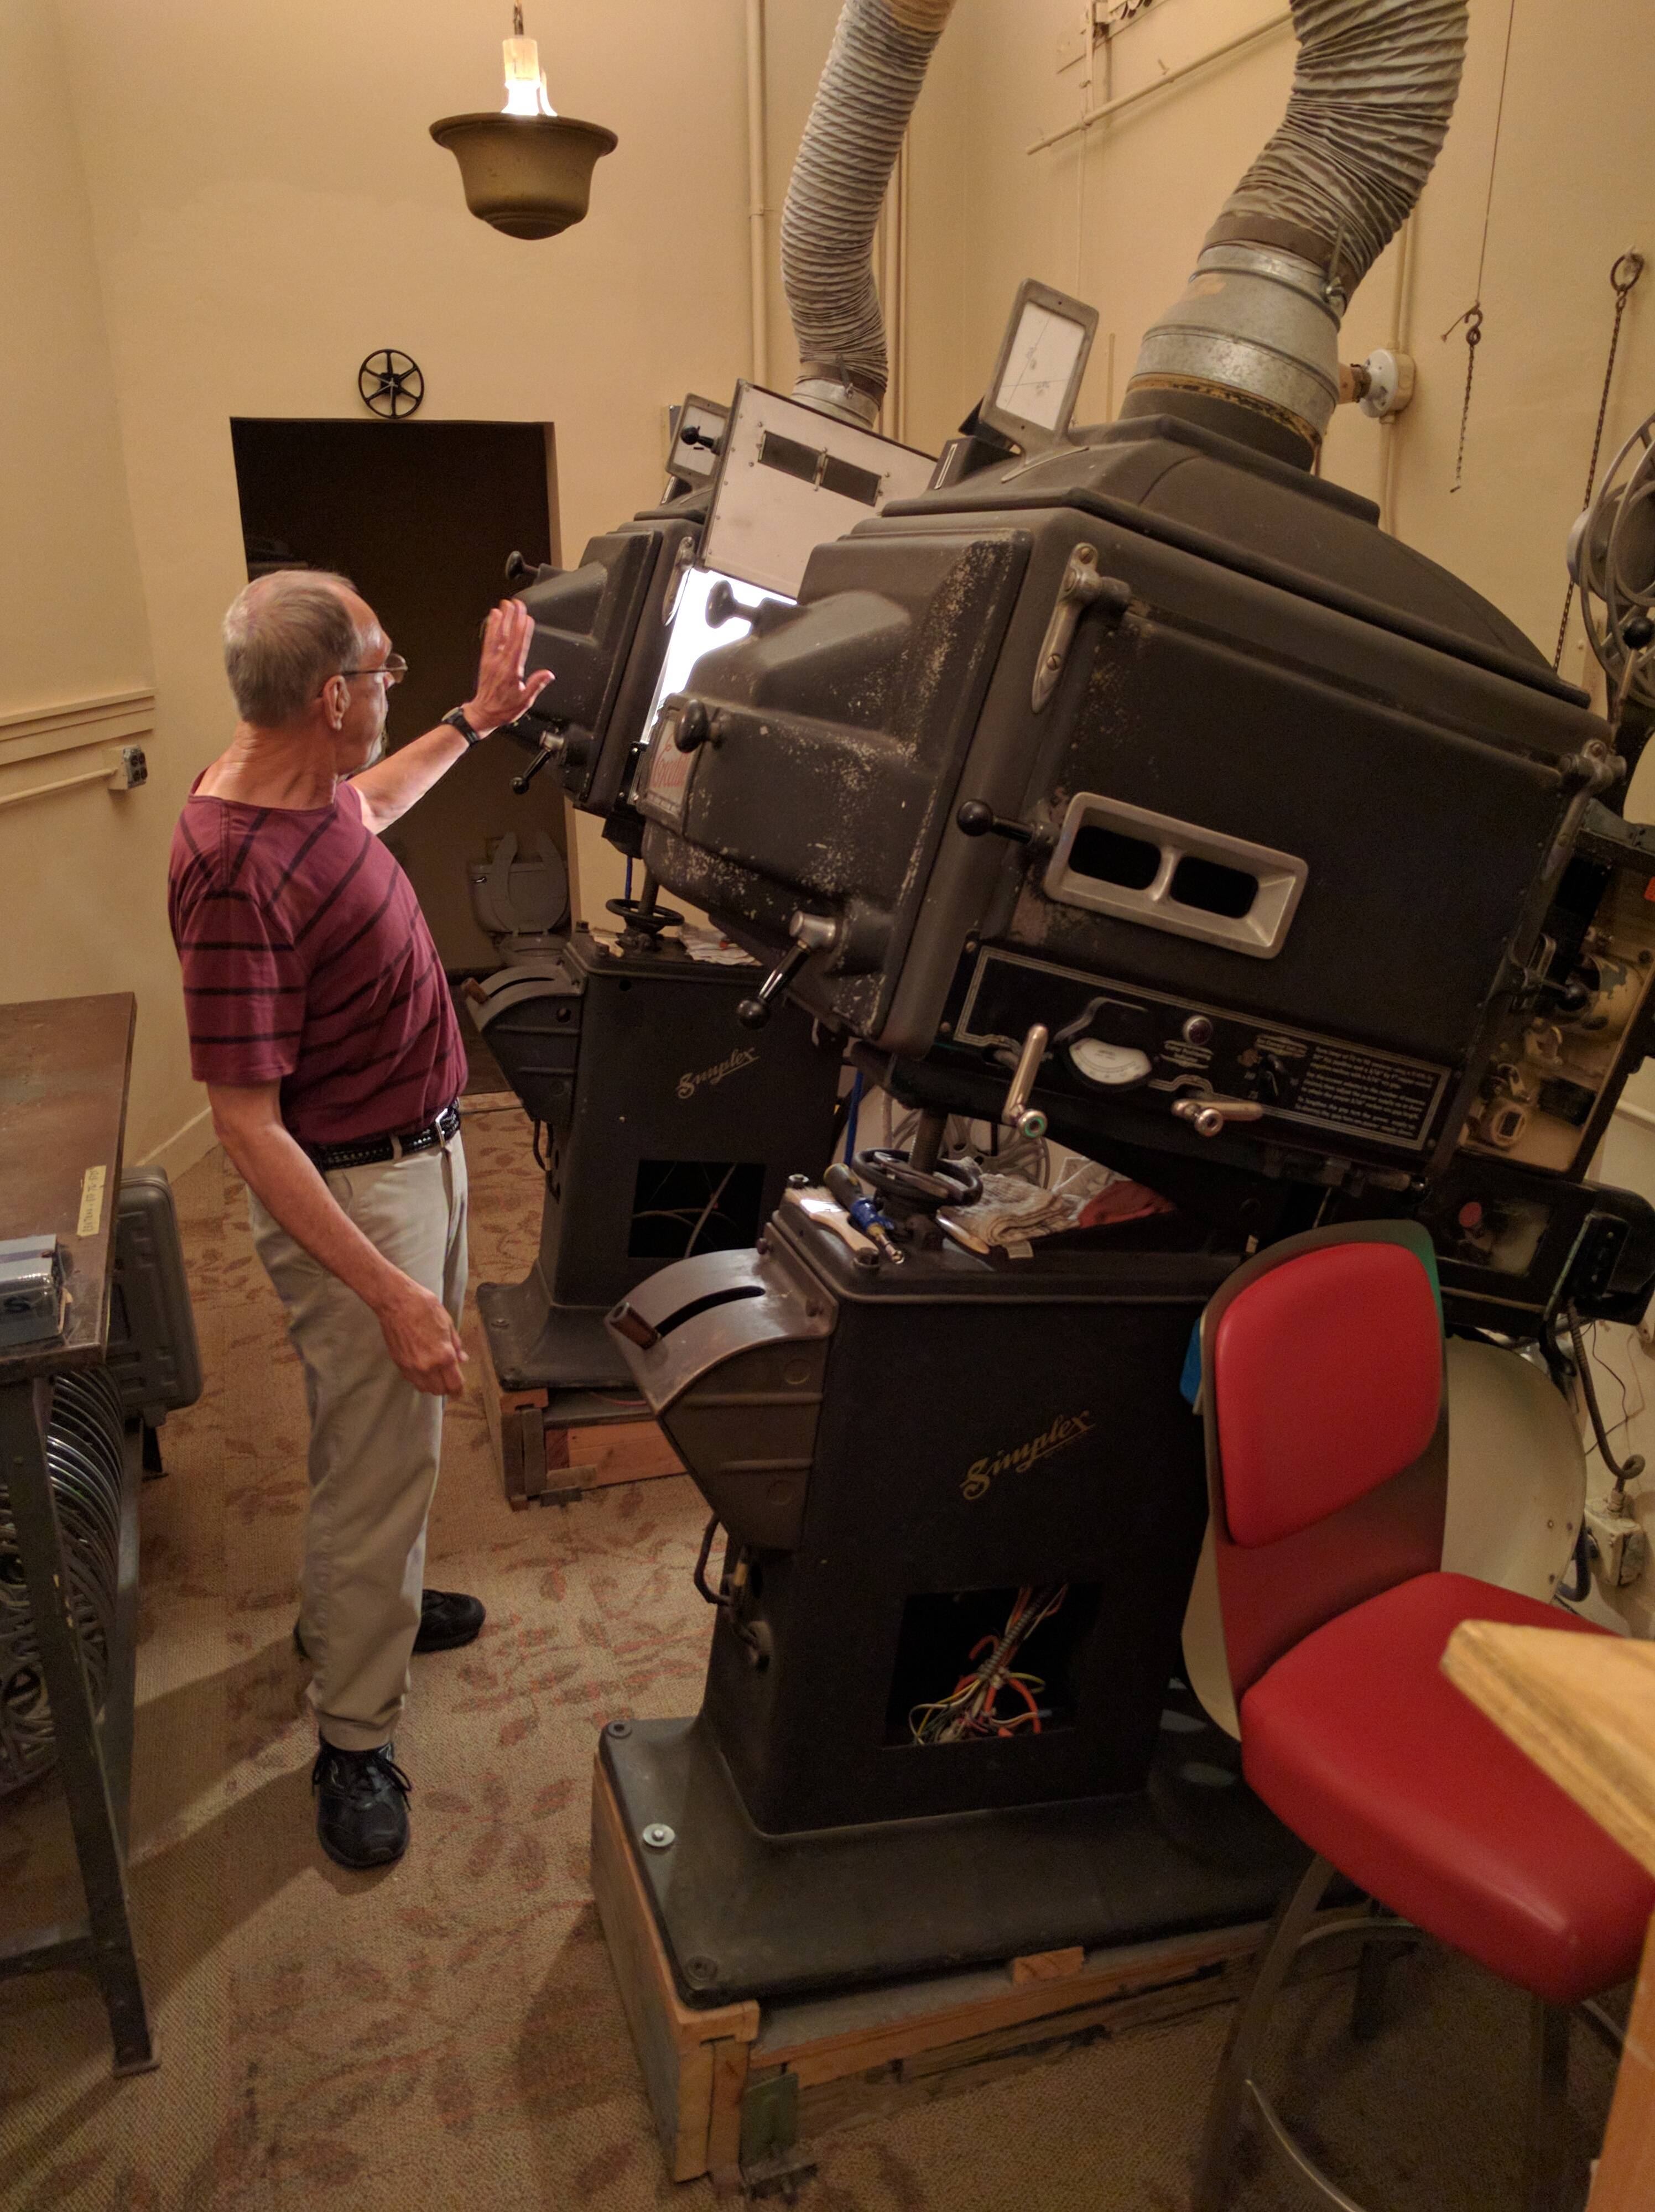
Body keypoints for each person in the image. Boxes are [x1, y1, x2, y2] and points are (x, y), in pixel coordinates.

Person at [168, 570, 551, 1869]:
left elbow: (372, 803)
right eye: (384, 667)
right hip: (352, 1194)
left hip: (418, 1153)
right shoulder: (231, 872)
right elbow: (244, 1125)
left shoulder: (308, 791)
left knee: (388, 1440)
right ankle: (351, 1729)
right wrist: (391, 1289)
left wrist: (477, 717)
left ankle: (359, 1612)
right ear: (329, 695)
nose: (392, 683)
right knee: (375, 1444)